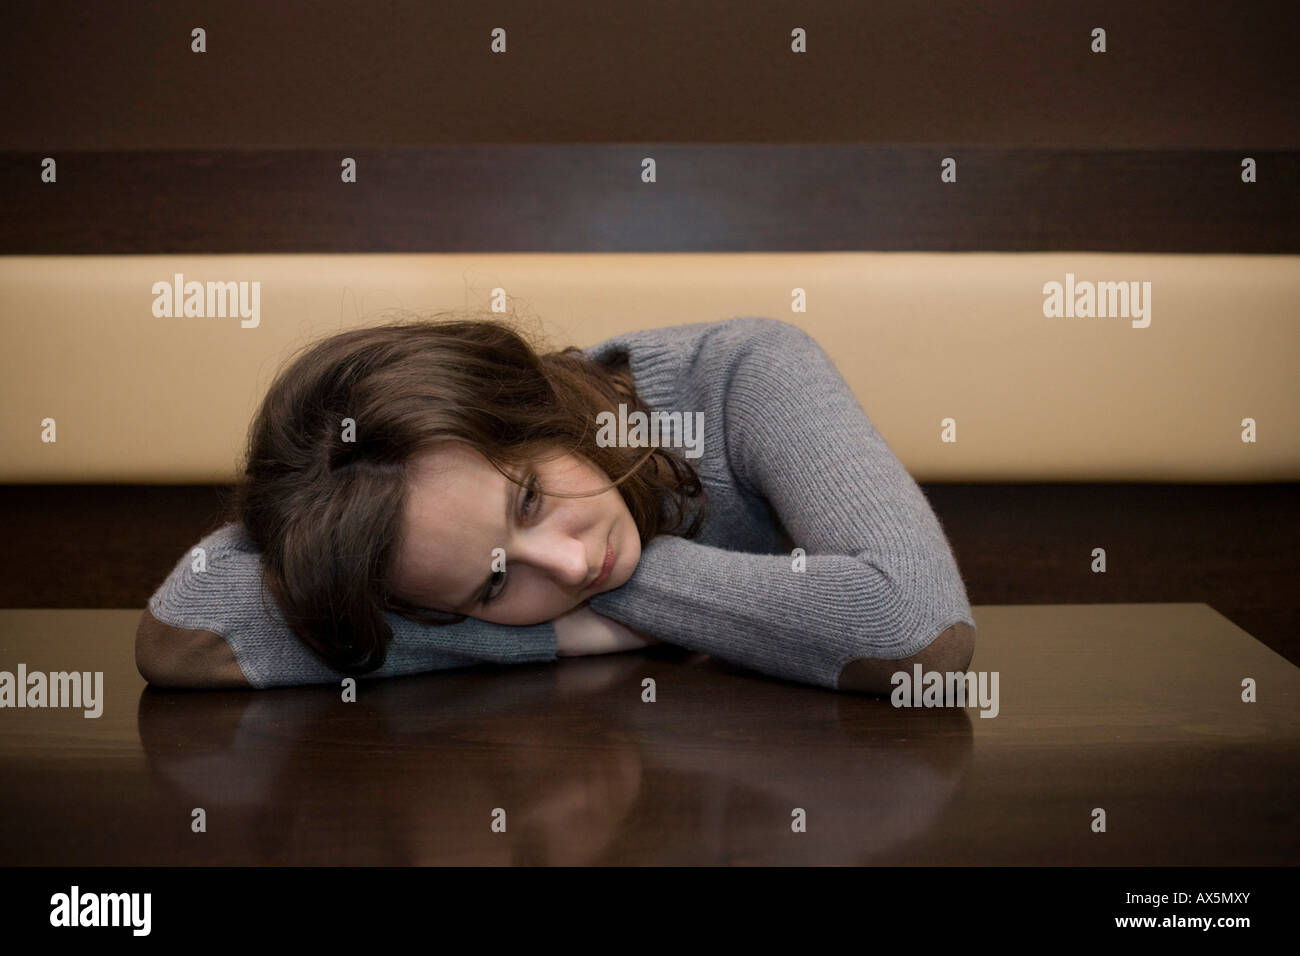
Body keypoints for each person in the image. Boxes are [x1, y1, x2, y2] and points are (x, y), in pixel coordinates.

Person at [136, 312, 975, 693]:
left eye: (529, 500)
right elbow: (184, 640)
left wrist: (621, 600)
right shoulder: (376, 518)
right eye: (493, 587)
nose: (574, 564)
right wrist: (561, 630)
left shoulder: (745, 373)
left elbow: (914, 636)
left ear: (533, 404)